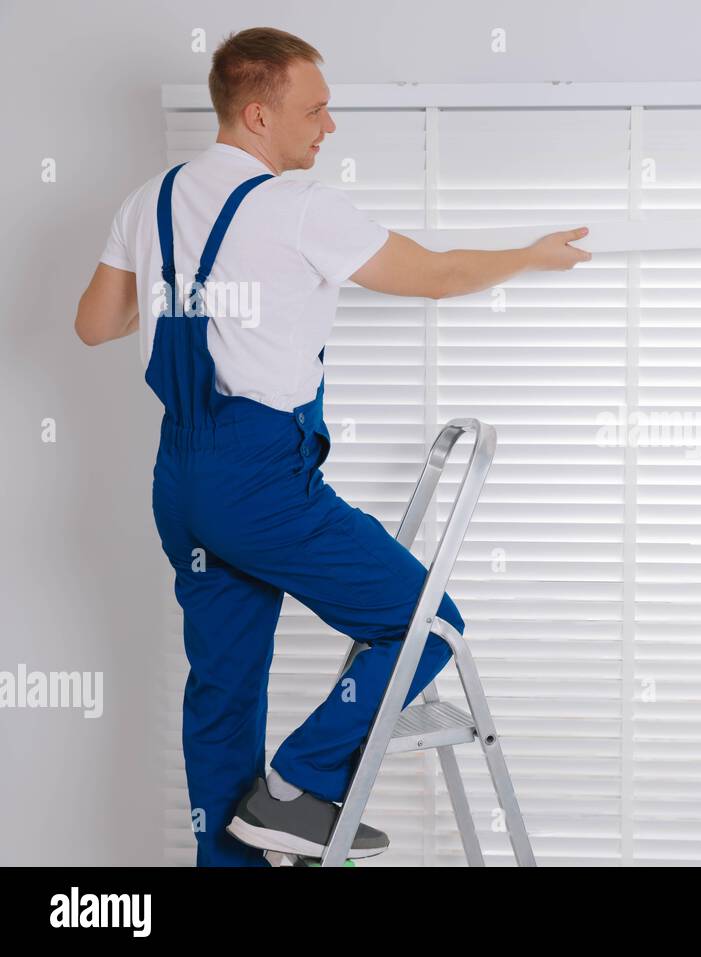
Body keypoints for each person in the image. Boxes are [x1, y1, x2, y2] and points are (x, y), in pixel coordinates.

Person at [74, 27, 590, 866]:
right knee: (429, 625)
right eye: (314, 110)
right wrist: (528, 257)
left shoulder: (150, 201)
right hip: (262, 479)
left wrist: (181, 286)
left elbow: (96, 324)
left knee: (222, 689)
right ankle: (299, 784)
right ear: (256, 114)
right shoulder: (298, 207)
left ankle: (234, 853)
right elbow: (433, 275)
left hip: (181, 481)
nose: (329, 126)